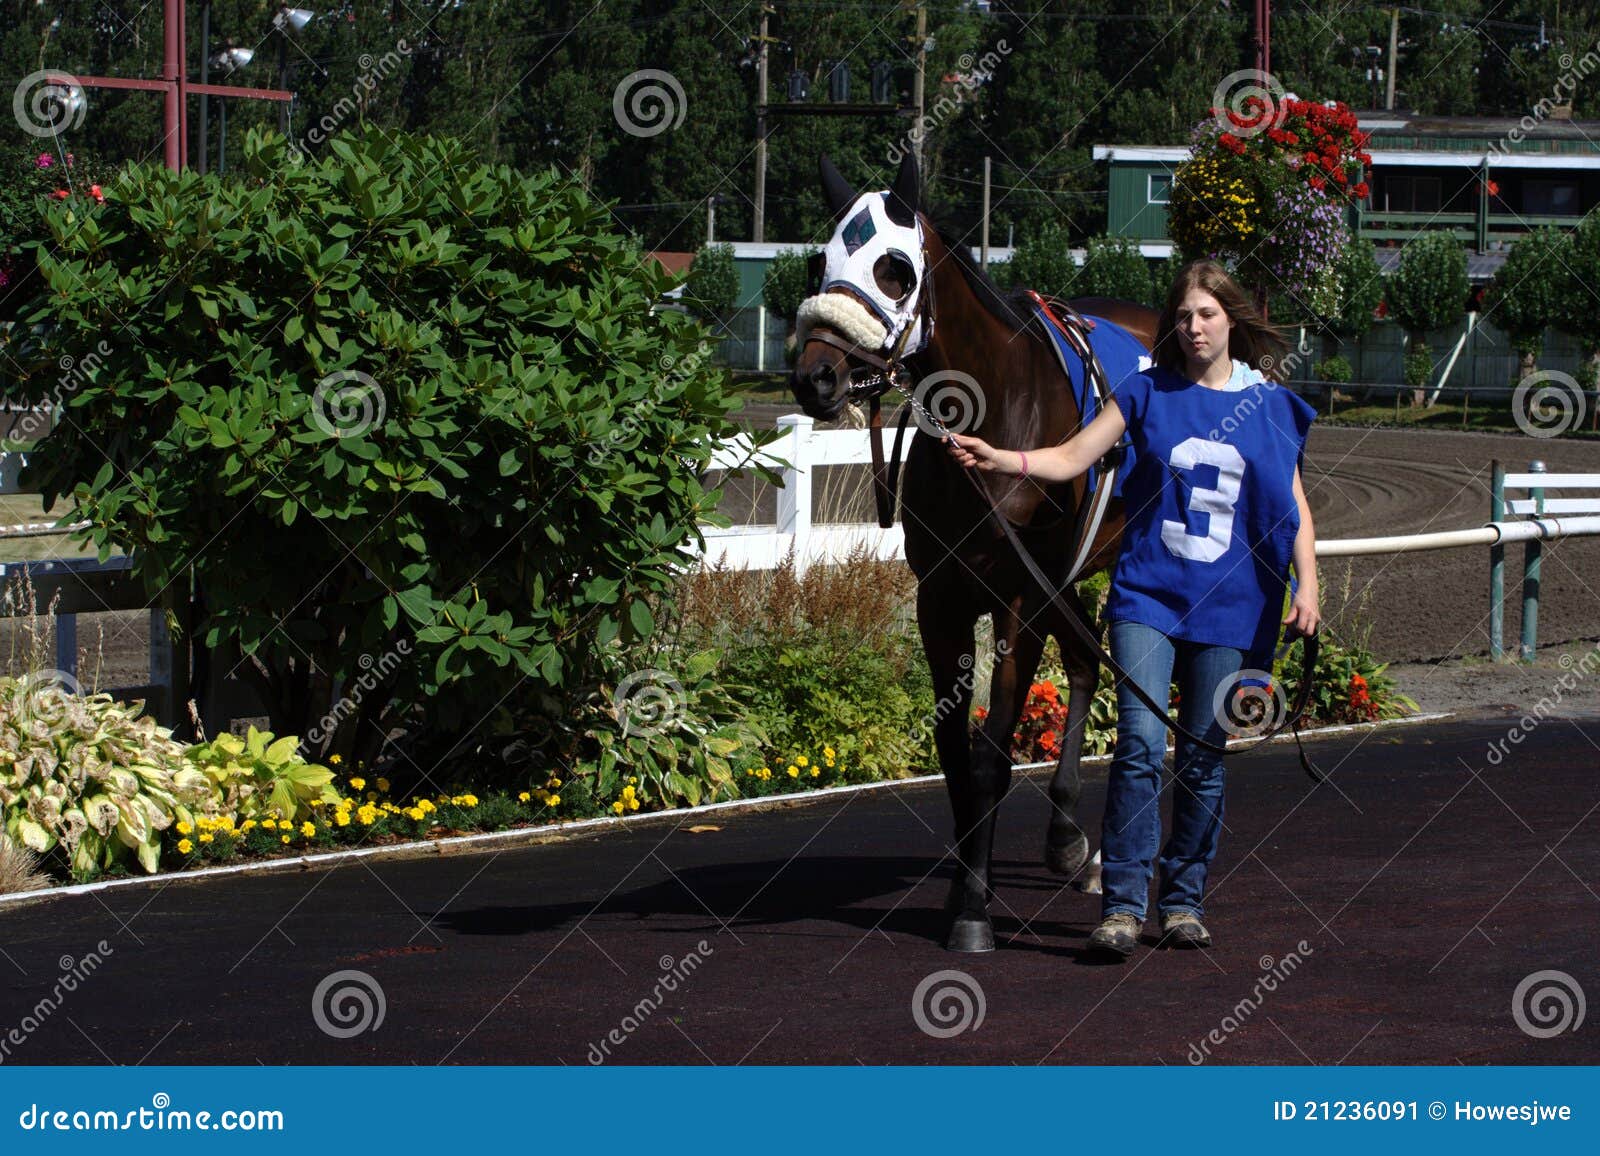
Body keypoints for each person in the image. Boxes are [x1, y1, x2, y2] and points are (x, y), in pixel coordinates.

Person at [944, 260, 1321, 960]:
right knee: (1141, 745)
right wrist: (1002, 458)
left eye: (1206, 314)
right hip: (1148, 596)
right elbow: (1071, 455)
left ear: (1230, 319)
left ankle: (1182, 900)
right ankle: (1122, 903)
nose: (1193, 326)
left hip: (1231, 606)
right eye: (1183, 316)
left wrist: (1309, 586)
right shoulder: (1145, 392)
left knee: (1205, 757)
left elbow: (1294, 504)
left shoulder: (1267, 403)